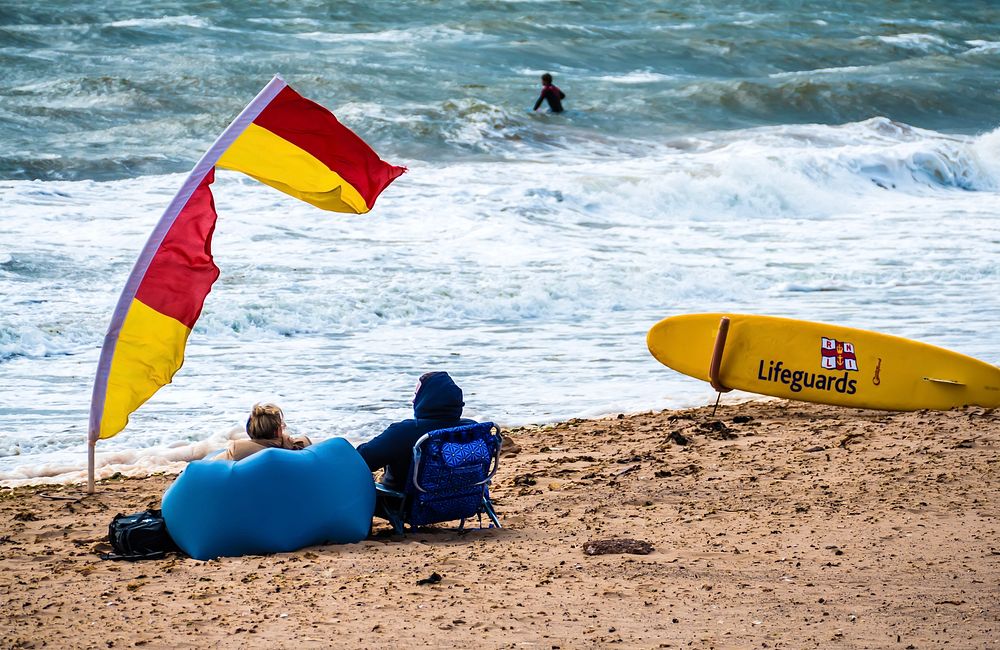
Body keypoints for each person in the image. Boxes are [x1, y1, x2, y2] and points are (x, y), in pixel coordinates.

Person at [356, 371, 475, 491]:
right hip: (460, 500)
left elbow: (361, 460)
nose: (413, 400)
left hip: (403, 504)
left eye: (417, 394)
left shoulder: (405, 432)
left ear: (428, 398)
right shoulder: (472, 429)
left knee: (339, 446)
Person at [213, 402, 312, 461]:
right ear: (278, 431)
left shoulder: (237, 452)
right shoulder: (299, 446)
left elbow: (211, 465)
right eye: (282, 425)